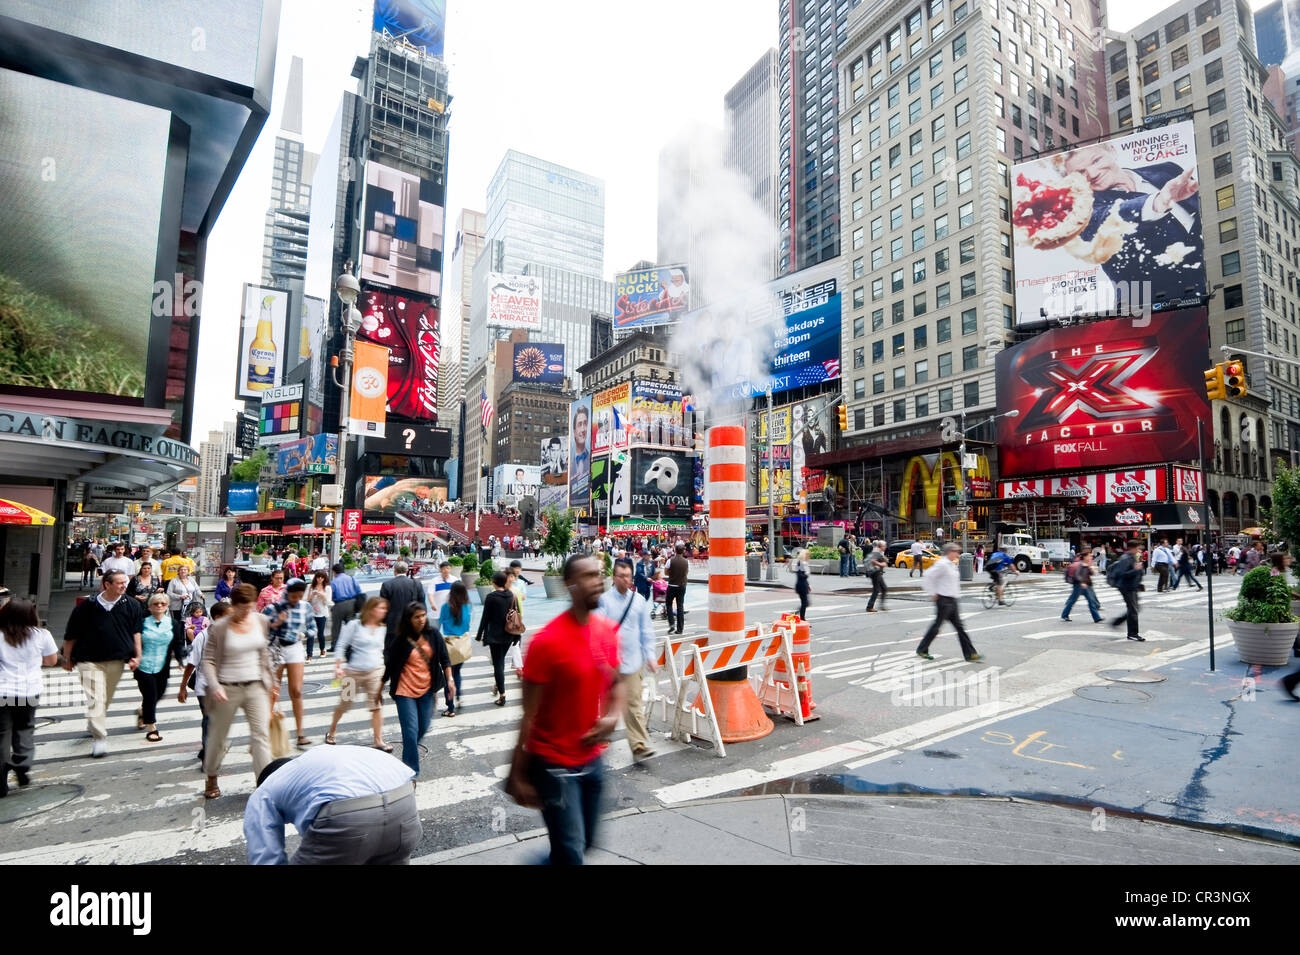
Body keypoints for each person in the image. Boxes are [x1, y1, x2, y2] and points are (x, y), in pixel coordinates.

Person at [505, 554, 625, 865]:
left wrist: (612, 716)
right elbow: (528, 713)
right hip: (554, 766)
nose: (599, 581)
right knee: (571, 853)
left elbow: (617, 684)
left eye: (600, 574)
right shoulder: (547, 642)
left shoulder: (607, 632)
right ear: (570, 585)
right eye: (589, 576)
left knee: (584, 844)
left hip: (593, 761)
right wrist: (518, 773)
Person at [243, 745, 420, 865]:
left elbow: (266, 856)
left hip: (349, 817)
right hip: (404, 800)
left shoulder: (264, 792)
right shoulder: (315, 763)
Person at [201, 583, 276, 798]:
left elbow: (265, 654)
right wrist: (215, 685)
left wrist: (272, 683)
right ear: (232, 606)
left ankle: (264, 784)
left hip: (255, 685)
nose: (246, 613)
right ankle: (212, 777)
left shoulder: (260, 621)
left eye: (250, 607)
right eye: (242, 608)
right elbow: (208, 660)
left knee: (261, 735)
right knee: (218, 736)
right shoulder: (220, 627)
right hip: (227, 687)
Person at [62, 570, 142, 758]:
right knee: (96, 698)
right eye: (120, 583)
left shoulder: (131, 605)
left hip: (116, 660)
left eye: (126, 582)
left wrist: (137, 656)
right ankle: (99, 737)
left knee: (104, 698)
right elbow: (71, 634)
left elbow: (136, 633)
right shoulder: (87, 606)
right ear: (107, 584)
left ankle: (93, 721)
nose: (124, 585)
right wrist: (67, 658)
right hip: (88, 660)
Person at [385, 602, 454, 774]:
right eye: (417, 617)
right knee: (410, 732)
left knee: (422, 728)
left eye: (423, 615)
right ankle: (411, 772)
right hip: (404, 691)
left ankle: (409, 752)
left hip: (427, 690)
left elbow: (445, 660)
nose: (421, 619)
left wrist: (450, 680)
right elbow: (391, 666)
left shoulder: (433, 634)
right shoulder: (400, 639)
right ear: (409, 619)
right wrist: (380, 686)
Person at [599, 559, 658, 760]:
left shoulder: (639, 601)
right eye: (621, 576)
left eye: (628, 576)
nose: (625, 580)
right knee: (606, 703)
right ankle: (600, 737)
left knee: (633, 703)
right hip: (610, 663)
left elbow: (646, 631)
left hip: (633, 661)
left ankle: (639, 744)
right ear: (614, 578)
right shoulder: (604, 601)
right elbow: (598, 630)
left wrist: (650, 656)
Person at [0, 599, 58, 797]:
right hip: (28, 691)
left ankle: (1, 781)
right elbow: (51, 661)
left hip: (2, 691)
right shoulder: (42, 635)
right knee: (24, 730)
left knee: (2, 735)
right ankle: (21, 765)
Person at [327, 597, 390, 749]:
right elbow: (341, 645)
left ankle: (378, 740)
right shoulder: (354, 625)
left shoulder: (383, 628)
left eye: (385, 609)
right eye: (381, 608)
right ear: (370, 609)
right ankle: (332, 731)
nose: (384, 611)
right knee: (344, 704)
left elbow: (384, 649)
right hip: (353, 672)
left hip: (375, 671)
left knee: (376, 706)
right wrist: (338, 666)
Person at [264, 579, 317, 748]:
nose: (296, 599)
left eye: (300, 596)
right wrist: (277, 623)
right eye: (294, 596)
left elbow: (313, 627)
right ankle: (264, 734)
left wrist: (304, 635)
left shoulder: (305, 607)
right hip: (277, 648)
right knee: (273, 691)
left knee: (297, 691)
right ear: (288, 593)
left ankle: (301, 733)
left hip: (295, 648)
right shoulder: (273, 608)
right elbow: (262, 628)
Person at [179, 601, 229, 767]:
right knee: (210, 720)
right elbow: (191, 663)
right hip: (205, 686)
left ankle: (207, 750)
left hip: (225, 686)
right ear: (217, 617)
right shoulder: (202, 636)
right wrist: (182, 687)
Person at [916, 544, 981, 662]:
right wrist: (933, 593)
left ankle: (970, 653)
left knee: (960, 628)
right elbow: (927, 576)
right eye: (956, 551)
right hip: (944, 600)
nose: (958, 554)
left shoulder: (952, 564)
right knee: (936, 627)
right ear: (949, 552)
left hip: (952, 600)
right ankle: (922, 649)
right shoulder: (942, 564)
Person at [136, 593, 183, 742]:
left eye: (163, 603)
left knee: (159, 693)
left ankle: (143, 711)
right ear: (150, 607)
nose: (160, 606)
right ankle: (152, 727)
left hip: (162, 665)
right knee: (150, 695)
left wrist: (180, 660)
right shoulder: (141, 623)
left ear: (167, 606)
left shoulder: (173, 624)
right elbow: (133, 642)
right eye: (156, 603)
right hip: (143, 666)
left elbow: (178, 642)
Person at [477, 571, 518, 706]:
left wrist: (479, 634)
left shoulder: (491, 597)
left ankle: (502, 695)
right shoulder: (511, 595)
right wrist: (517, 635)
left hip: (495, 636)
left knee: (498, 665)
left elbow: (485, 618)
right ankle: (498, 685)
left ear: (494, 582)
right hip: (509, 634)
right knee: (500, 663)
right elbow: (516, 615)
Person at [438, 582, 472, 716]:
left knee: (448, 675)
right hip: (461, 643)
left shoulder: (446, 606)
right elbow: (467, 624)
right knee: (457, 672)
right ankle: (458, 697)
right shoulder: (467, 606)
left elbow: (441, 621)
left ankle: (450, 707)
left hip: (448, 643)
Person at [1107, 539, 1147, 642]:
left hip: (1132, 586)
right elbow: (1123, 574)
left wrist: (1139, 583)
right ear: (1132, 548)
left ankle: (1117, 622)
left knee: (1135, 608)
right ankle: (1133, 634)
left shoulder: (1132, 557)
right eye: (1138, 548)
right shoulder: (1125, 558)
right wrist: (1136, 569)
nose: (1139, 550)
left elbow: (1135, 572)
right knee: (1133, 610)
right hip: (1126, 587)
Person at [379, 561, 426, 640]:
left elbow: (383, 606)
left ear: (394, 571)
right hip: (412, 624)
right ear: (407, 571)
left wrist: (383, 621)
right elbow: (422, 605)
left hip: (393, 625)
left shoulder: (387, 585)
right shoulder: (416, 584)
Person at [1060, 551, 1103, 623]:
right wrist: (1082, 582)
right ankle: (1064, 615)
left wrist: (1091, 570)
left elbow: (1091, 574)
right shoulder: (1080, 565)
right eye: (1089, 556)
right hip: (1078, 586)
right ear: (1085, 557)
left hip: (1086, 586)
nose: (1091, 557)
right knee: (1072, 601)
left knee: (1091, 602)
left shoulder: (1086, 564)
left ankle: (1097, 618)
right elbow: (1077, 575)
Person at [329, 563, 362, 651]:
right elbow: (359, 591)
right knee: (351, 624)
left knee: (336, 626)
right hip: (352, 603)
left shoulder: (334, 582)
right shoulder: (351, 579)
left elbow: (331, 595)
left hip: (339, 604)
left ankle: (335, 645)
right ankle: (352, 643)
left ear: (334, 572)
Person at [306, 571, 333, 660]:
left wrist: (321, 595)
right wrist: (312, 595)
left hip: (322, 613)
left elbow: (328, 602)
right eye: (318, 577)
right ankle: (309, 655)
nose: (320, 579)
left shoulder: (327, 588)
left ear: (324, 578)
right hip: (311, 613)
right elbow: (306, 600)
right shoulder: (310, 586)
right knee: (310, 634)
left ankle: (322, 649)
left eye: (322, 577)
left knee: (320, 633)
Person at [665, 543, 688, 635]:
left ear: (675, 550)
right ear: (683, 551)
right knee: (680, 607)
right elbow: (686, 573)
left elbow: (666, 572)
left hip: (672, 585)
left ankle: (671, 623)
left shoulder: (670, 561)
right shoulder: (686, 562)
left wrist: (672, 574)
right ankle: (680, 629)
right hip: (682, 586)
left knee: (668, 604)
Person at [865, 541, 888, 612]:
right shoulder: (876, 552)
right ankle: (869, 607)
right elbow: (873, 561)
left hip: (876, 572)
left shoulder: (878, 551)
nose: (885, 547)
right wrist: (881, 564)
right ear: (881, 546)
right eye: (884, 546)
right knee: (876, 589)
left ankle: (881, 606)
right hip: (875, 572)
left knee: (884, 588)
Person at [791, 548, 811, 620]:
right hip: (801, 586)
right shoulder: (800, 564)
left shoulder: (802, 563)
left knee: (805, 603)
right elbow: (800, 575)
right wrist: (807, 575)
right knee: (805, 603)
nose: (809, 557)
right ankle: (800, 618)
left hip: (803, 585)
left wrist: (808, 585)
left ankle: (798, 616)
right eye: (808, 555)